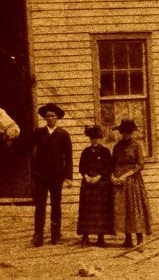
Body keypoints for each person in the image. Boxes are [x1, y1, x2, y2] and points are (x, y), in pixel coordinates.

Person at [28, 103, 73, 246]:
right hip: (41, 176)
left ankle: (56, 236)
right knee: (40, 206)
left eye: (53, 116)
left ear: (57, 117)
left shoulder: (63, 134)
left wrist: (68, 177)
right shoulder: (38, 133)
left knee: (56, 206)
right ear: (44, 118)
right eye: (48, 116)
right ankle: (38, 236)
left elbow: (69, 157)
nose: (50, 118)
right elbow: (27, 148)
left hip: (57, 176)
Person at [111, 119, 152, 248]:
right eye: (123, 132)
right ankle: (127, 239)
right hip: (119, 181)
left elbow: (140, 164)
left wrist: (126, 175)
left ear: (132, 133)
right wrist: (112, 175)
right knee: (122, 208)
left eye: (128, 132)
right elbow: (113, 163)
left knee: (134, 208)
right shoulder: (117, 146)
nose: (125, 135)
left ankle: (139, 238)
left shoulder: (136, 145)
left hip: (132, 180)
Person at [77, 124, 113, 247]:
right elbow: (81, 167)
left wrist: (99, 176)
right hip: (88, 183)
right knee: (87, 211)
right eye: (92, 138)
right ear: (90, 139)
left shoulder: (105, 151)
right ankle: (85, 237)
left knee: (100, 211)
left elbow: (109, 167)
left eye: (97, 137)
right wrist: (86, 176)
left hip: (101, 184)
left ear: (100, 138)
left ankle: (101, 237)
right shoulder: (86, 152)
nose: (95, 140)